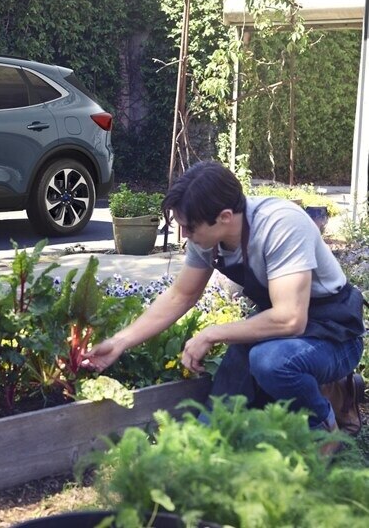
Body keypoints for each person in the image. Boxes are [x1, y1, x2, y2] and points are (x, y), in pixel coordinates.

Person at [82, 161, 365, 436]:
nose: (184, 235)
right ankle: (205, 447)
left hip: (334, 334)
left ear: (225, 217)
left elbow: (290, 318)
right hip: (279, 329)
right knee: (222, 408)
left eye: (190, 228)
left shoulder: (281, 225)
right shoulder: (207, 238)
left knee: (270, 362)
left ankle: (325, 427)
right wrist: (119, 342)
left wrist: (212, 334)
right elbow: (181, 295)